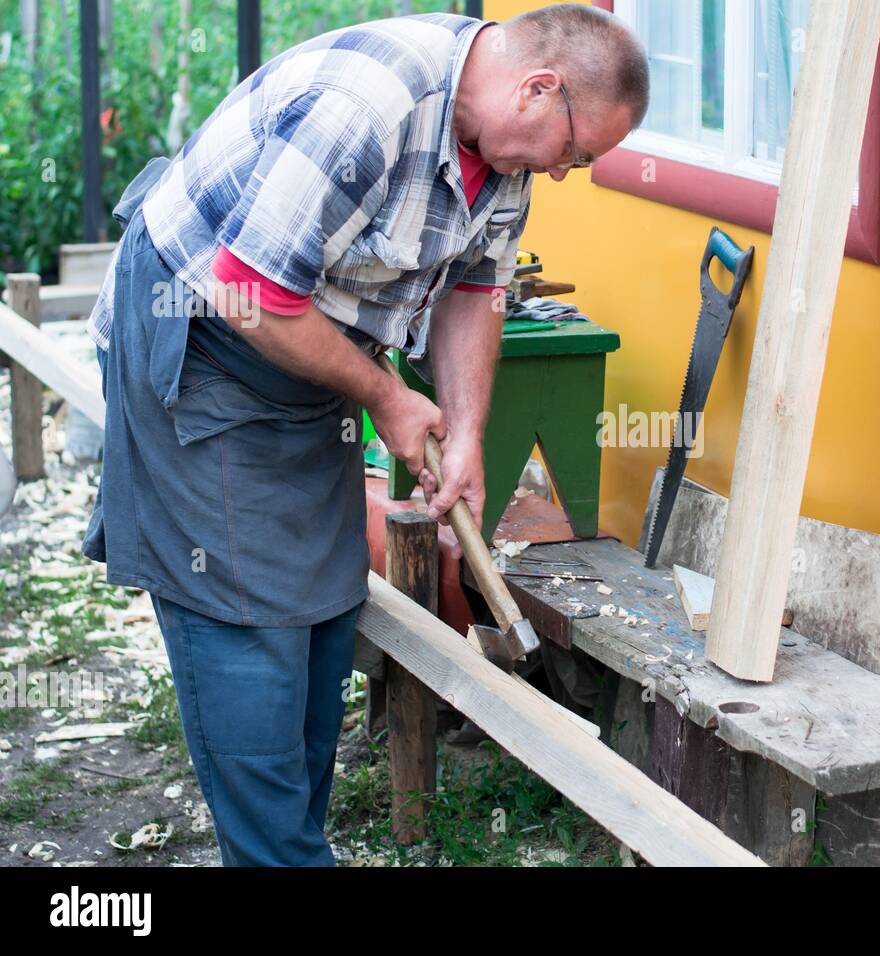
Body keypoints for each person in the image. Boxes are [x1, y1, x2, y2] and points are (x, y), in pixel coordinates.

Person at [81, 4, 648, 866]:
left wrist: (464, 432)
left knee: (318, 606)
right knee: (245, 619)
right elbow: (248, 295)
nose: (564, 173)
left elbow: (475, 290)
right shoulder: (369, 105)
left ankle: (287, 844)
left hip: (311, 351)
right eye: (574, 152)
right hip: (205, 336)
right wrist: (387, 396)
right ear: (540, 89)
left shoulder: (505, 149)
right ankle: (277, 852)